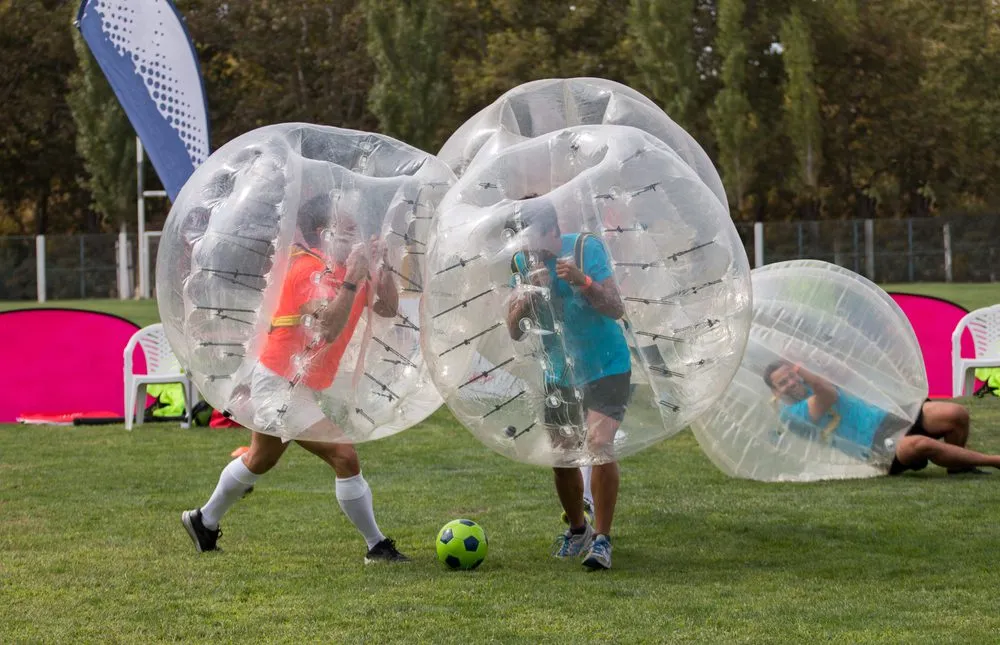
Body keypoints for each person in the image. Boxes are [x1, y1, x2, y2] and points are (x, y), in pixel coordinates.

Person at [181, 194, 408, 563]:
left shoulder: (347, 267)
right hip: (279, 386)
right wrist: (354, 274)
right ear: (324, 233)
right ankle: (376, 546)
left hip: (297, 384)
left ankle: (203, 520)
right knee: (344, 455)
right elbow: (329, 328)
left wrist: (381, 271)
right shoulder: (306, 270)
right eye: (349, 229)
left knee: (259, 459)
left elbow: (388, 307)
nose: (357, 235)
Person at [505, 196, 631, 570]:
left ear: (553, 231)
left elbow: (615, 307)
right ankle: (579, 529)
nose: (527, 248)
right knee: (562, 457)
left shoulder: (584, 247)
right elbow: (514, 330)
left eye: (532, 238)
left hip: (606, 364)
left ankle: (603, 539)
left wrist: (583, 280)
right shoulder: (520, 262)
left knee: (599, 444)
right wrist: (527, 295)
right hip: (559, 372)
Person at [764, 360, 1000, 476]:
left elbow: (844, 370)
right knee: (921, 445)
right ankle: (992, 460)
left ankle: (958, 467)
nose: (792, 383)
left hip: (889, 417)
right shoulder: (792, 415)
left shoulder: (811, 383)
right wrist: (800, 368)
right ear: (775, 393)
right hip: (876, 448)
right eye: (783, 383)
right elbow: (827, 394)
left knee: (955, 414)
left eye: (791, 377)